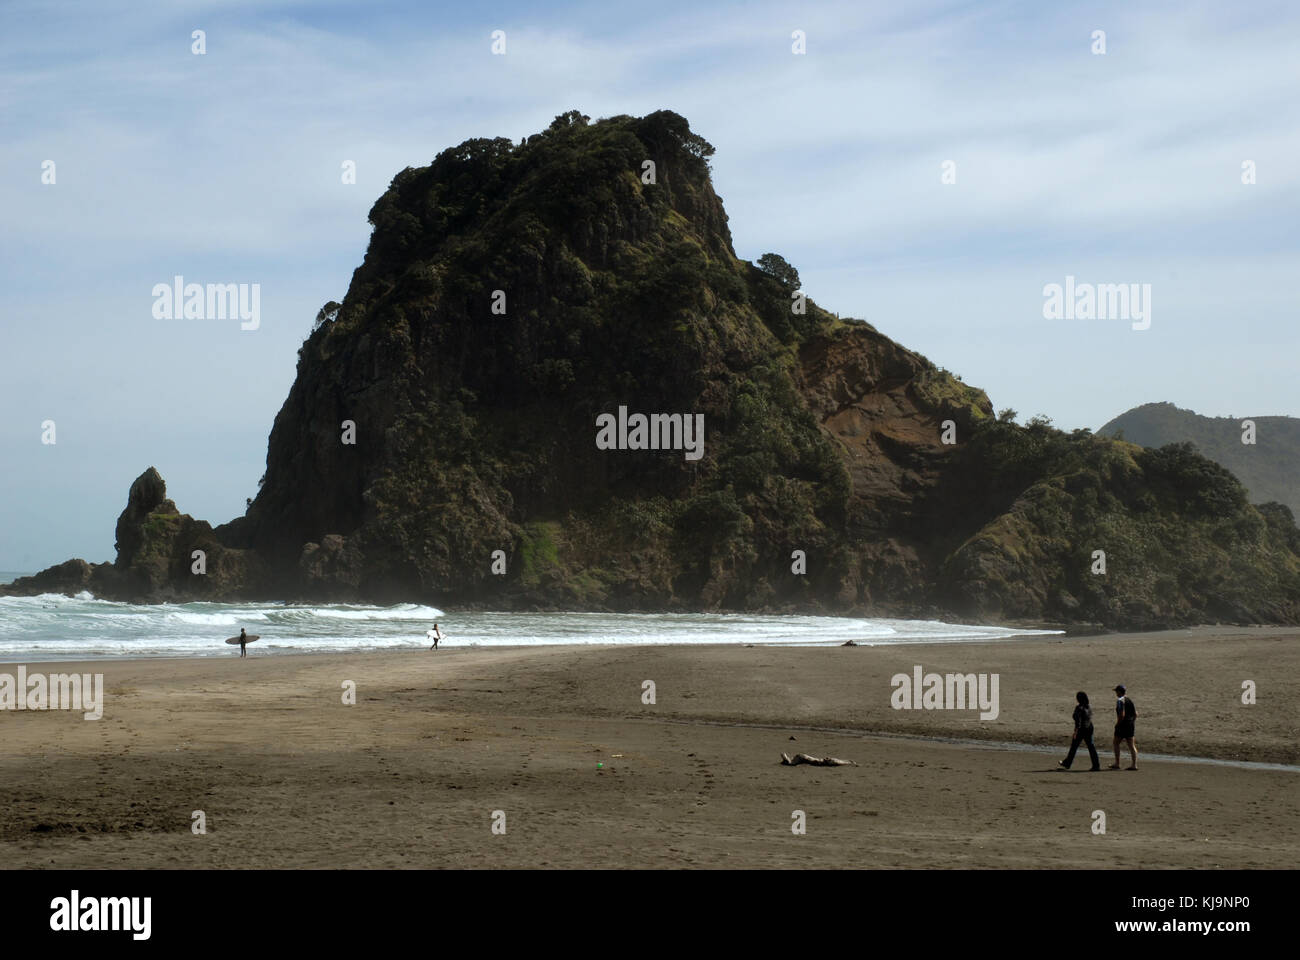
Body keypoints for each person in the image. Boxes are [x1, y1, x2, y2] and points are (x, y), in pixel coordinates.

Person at [1058, 691, 1100, 770]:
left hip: (1082, 729)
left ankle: (1067, 763)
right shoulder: (1089, 706)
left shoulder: (1079, 708)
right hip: (1090, 727)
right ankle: (1096, 765)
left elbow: (1078, 721)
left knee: (1074, 746)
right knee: (1091, 747)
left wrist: (1076, 731)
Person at [1110, 683, 1138, 770]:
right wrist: (1131, 721)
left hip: (1122, 725)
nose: (1116, 693)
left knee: (1116, 743)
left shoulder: (1120, 700)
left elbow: (1121, 715)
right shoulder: (1129, 700)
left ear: (1119, 692)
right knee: (1131, 745)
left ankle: (1117, 763)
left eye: (1116, 691)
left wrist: (1118, 724)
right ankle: (1134, 765)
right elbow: (1136, 714)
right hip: (1130, 725)